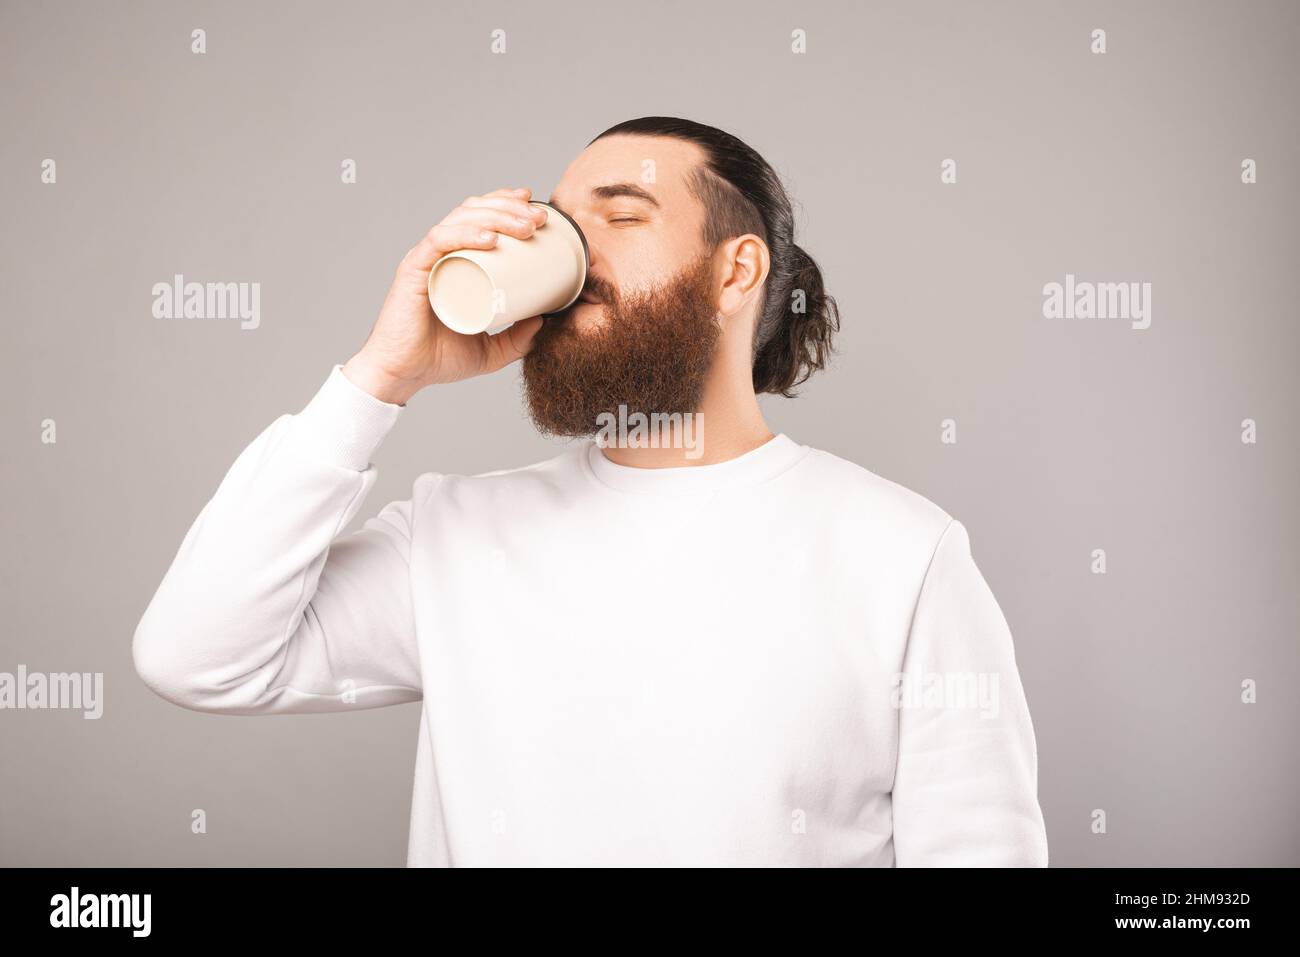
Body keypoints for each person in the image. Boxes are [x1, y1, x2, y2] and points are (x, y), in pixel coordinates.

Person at [133, 116, 1049, 867]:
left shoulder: (903, 554)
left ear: (735, 271)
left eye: (620, 214)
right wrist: (382, 375)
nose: (563, 247)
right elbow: (198, 655)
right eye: (555, 219)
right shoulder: (457, 534)